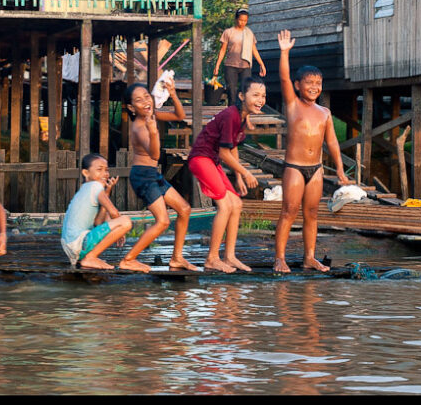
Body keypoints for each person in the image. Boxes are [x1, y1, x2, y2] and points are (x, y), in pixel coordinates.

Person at [274, 30, 351, 273]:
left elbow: (333, 143)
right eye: (309, 83)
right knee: (289, 211)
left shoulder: (324, 113)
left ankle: (309, 257)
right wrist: (284, 52)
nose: (314, 87)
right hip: (295, 167)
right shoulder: (293, 104)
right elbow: (284, 78)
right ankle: (280, 258)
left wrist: (339, 169)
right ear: (298, 86)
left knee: (312, 213)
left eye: (318, 83)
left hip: (316, 168)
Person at [118, 78, 199, 273]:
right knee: (163, 221)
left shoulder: (151, 115)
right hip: (143, 176)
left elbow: (179, 115)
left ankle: (177, 258)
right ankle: (128, 259)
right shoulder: (139, 127)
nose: (145, 101)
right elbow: (154, 154)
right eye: (139, 100)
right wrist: (153, 132)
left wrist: (172, 93)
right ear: (131, 107)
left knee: (184, 209)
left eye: (147, 96)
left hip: (153, 174)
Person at [187, 76, 267, 272]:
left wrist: (238, 177)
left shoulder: (241, 117)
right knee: (224, 205)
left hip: (213, 161)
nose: (261, 100)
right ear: (241, 96)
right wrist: (246, 173)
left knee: (236, 203)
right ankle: (212, 258)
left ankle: (229, 256)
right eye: (255, 95)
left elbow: (232, 147)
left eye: (263, 96)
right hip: (201, 158)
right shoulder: (232, 115)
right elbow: (224, 153)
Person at [61, 154, 133, 270]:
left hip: (73, 247)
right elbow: (114, 212)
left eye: (107, 170)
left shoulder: (86, 188)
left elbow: (98, 222)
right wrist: (122, 232)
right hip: (79, 243)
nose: (105, 174)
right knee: (126, 221)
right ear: (86, 173)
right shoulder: (95, 186)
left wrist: (107, 193)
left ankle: (89, 257)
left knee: (117, 221)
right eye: (99, 170)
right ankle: (91, 257)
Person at [213, 7, 267, 107]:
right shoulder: (228, 32)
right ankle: (232, 113)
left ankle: (243, 113)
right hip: (231, 65)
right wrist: (217, 66)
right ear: (236, 19)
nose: (243, 23)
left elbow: (254, 50)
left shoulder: (249, 33)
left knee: (245, 90)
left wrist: (262, 64)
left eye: (245, 21)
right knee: (232, 91)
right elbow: (223, 50)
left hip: (245, 66)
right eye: (241, 20)